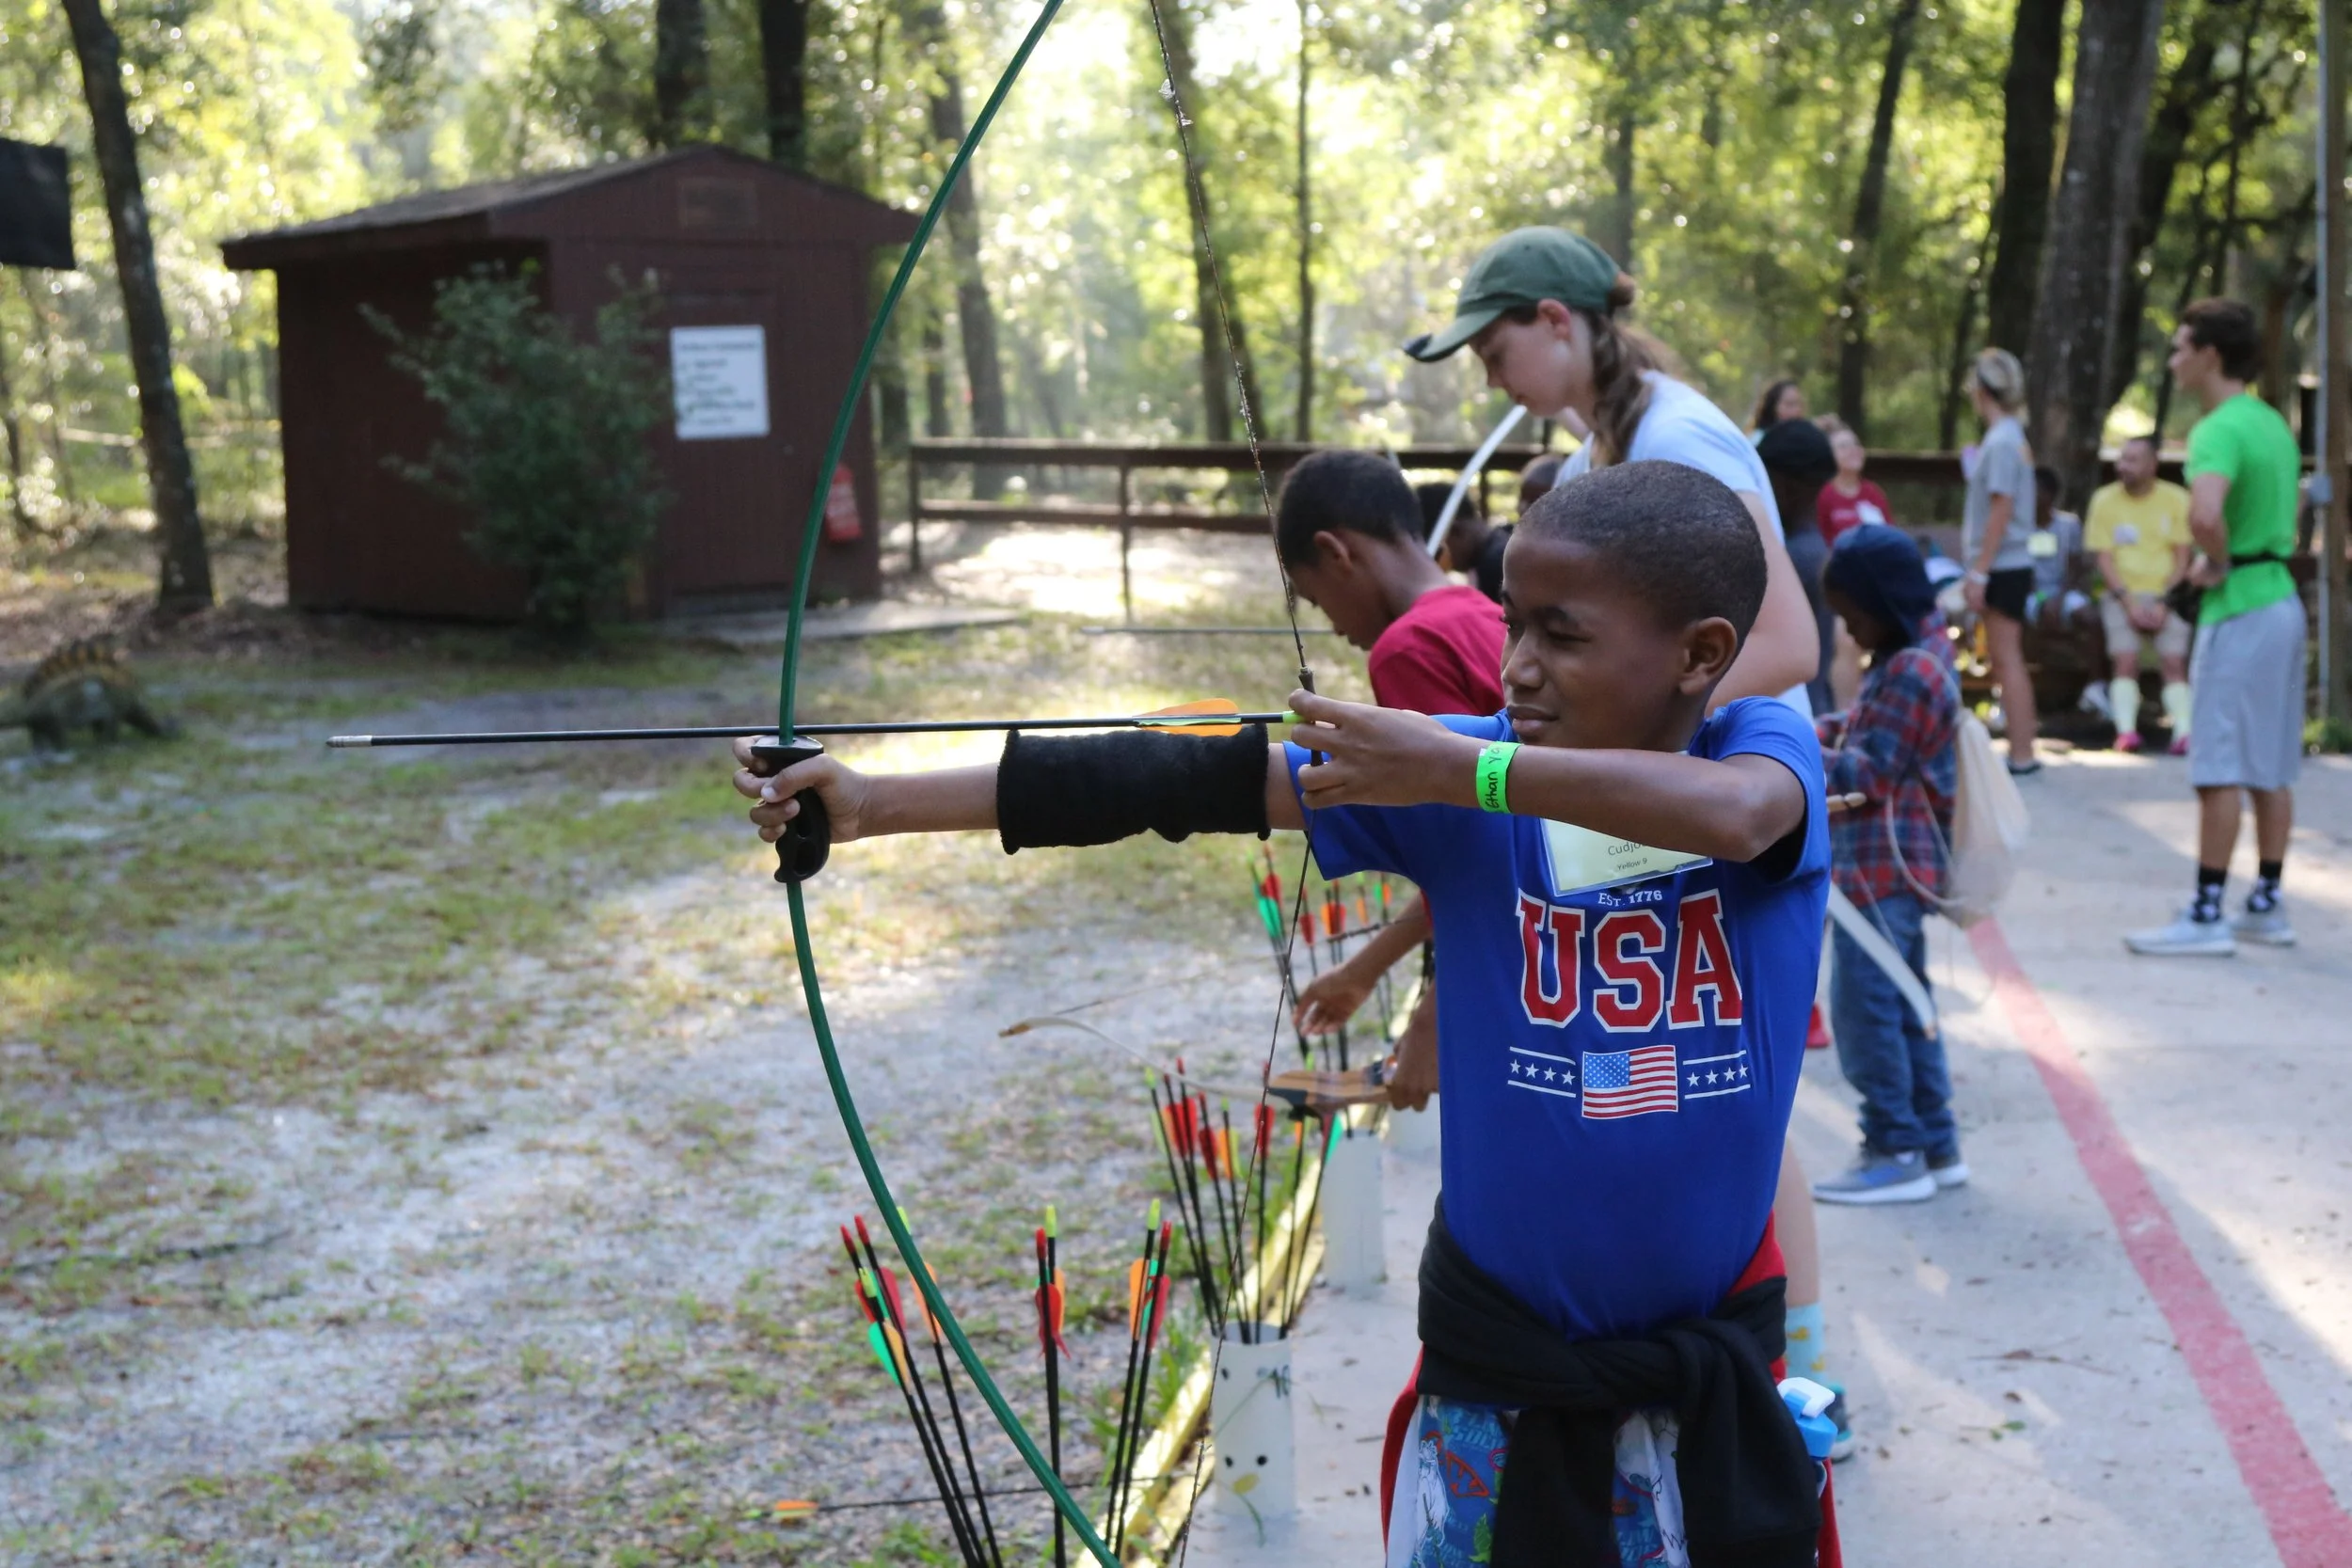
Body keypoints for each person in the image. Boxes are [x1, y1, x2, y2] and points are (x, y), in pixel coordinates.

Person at [736, 460, 1830, 1565]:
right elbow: (1175, 780)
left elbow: (1741, 821)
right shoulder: (1462, 771)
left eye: (1564, 635)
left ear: (1700, 654)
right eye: (1513, 628)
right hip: (1503, 1387)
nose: (1520, 668)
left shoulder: (1749, 749)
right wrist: (874, 803)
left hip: (1708, 1397)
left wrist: (1466, 768)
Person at [1403, 227, 1819, 711]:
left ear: (1555, 319)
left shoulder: (1676, 438)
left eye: (1494, 356)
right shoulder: (1588, 461)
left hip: (1744, 769)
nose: (1493, 380)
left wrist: (1619, 737)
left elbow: (1788, 646)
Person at [1280, 449, 1507, 1110]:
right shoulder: (1480, 611)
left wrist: (1433, 1020)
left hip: (1514, 955)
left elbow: (1475, 858)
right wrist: (1363, 969)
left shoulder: (1408, 648)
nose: (1336, 628)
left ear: (1336, 550)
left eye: (1321, 601)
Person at [2125, 300, 2306, 957]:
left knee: (2219, 763)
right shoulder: (2272, 423)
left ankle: (2206, 911)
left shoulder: (2216, 429)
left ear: (2209, 354)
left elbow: (2204, 512)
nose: (2173, 360)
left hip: (2240, 609)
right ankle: (2266, 901)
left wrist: (2218, 559)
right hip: (2283, 598)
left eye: (2179, 348)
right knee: (2272, 761)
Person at [1809, 528, 1964, 1204]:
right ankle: (1936, 1142)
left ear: (1883, 601)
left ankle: (1893, 1146)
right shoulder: (1920, 652)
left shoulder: (1912, 669)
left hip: (1880, 872)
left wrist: (1793, 753)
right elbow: (1873, 728)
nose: (1849, 629)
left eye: (1853, 614)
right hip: (1895, 871)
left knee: (1864, 1009)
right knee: (1907, 1003)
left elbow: (1869, 770)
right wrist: (1823, 726)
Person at [1959, 348, 2042, 774]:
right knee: (2005, 657)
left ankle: (2023, 753)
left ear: (1983, 390)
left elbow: (2001, 507)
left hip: (2003, 565)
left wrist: (1979, 570)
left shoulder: (2005, 440)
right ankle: (2021, 749)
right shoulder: (2006, 437)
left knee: (2007, 658)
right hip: (2006, 564)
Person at [2085, 435, 2194, 753]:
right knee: (2125, 659)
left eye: (2132, 460)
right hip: (2122, 595)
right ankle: (2126, 732)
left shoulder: (2176, 499)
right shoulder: (2104, 500)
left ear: (2152, 464)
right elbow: (2103, 558)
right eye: (2122, 459)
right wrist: (2128, 603)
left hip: (2168, 594)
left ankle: (2184, 733)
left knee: (2174, 660)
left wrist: (2164, 602)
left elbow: (2182, 556)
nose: (2123, 467)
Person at [1756, 419, 1839, 716]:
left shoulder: (1792, 561)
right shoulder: (1816, 552)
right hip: (1815, 706)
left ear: (1784, 485)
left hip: (1792, 713)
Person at [1817, 420, 1893, 547]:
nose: (1853, 450)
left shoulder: (1873, 492)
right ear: (1829, 455)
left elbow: (1890, 535)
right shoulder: (1825, 496)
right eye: (1843, 446)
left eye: (1856, 444)